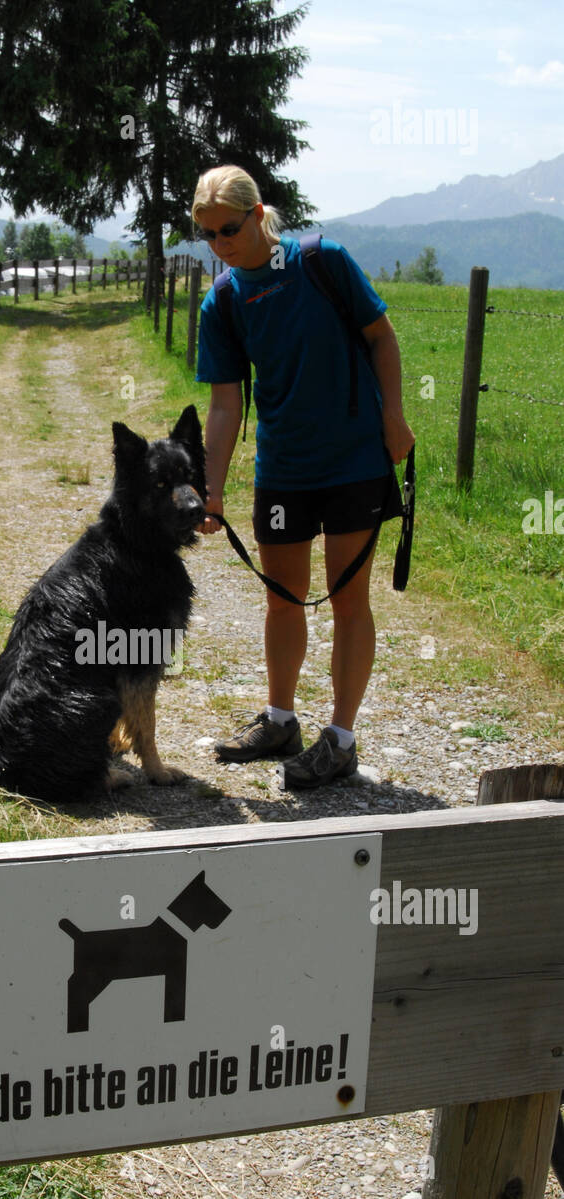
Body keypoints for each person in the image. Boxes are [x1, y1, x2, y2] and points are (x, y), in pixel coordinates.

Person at [192, 165, 415, 789]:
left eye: (229, 229)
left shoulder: (324, 261)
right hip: (284, 469)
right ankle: (281, 719)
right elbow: (225, 404)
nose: (220, 244)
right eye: (208, 234)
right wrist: (213, 489)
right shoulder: (226, 301)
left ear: (259, 214)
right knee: (283, 599)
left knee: (349, 600)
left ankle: (340, 739)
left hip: (353, 462)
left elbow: (382, 336)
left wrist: (394, 417)